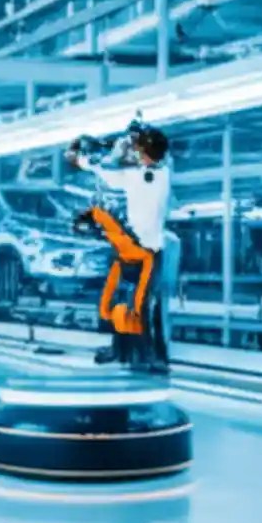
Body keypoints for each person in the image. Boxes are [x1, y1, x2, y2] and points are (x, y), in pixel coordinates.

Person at [69, 123, 173, 373]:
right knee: (124, 302)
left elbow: (110, 170)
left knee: (141, 304)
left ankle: (149, 357)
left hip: (145, 253)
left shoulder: (144, 176)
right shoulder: (151, 174)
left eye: (140, 150)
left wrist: (84, 158)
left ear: (147, 154)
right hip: (133, 250)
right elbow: (115, 170)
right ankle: (120, 350)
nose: (137, 154)